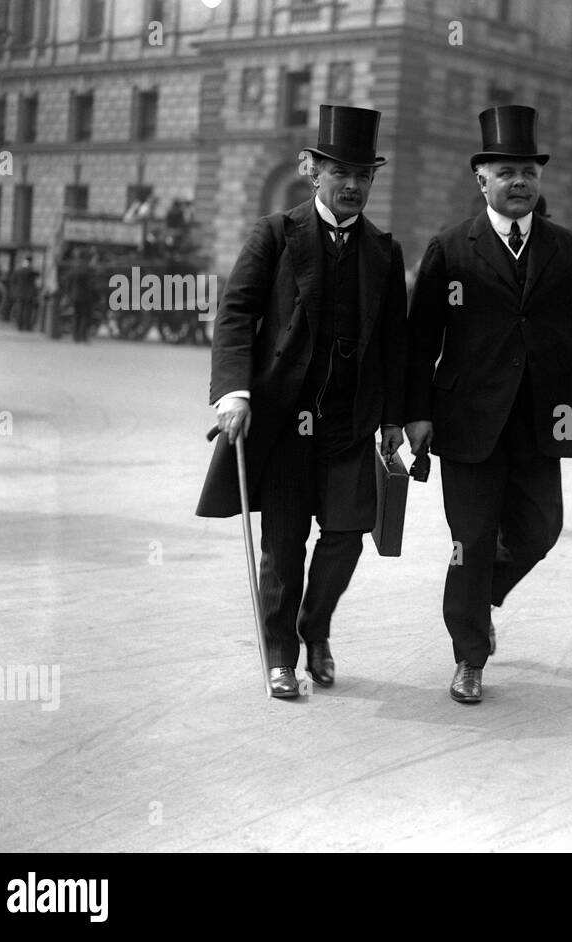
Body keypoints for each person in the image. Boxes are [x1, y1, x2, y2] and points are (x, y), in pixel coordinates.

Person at [405, 105, 572, 704]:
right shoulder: (450, 248)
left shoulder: (569, 249)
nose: (519, 181)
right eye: (506, 172)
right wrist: (416, 412)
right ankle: (469, 657)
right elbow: (420, 340)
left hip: (542, 418)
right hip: (468, 422)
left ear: (539, 177)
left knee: (541, 531)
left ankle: (480, 595)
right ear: (482, 180)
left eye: (528, 170)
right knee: (469, 541)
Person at [195, 104, 409, 699]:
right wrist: (233, 392)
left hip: (349, 424)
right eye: (340, 171)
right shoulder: (274, 234)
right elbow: (236, 314)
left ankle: (315, 629)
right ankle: (281, 658)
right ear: (310, 169)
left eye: (364, 174)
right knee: (283, 549)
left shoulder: (384, 252)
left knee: (347, 536)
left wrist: (393, 419)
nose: (352, 185)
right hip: (286, 423)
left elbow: (395, 344)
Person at [68, 251, 97, 343]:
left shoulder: (74, 269)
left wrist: (69, 294)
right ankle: (83, 336)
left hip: (75, 296)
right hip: (85, 297)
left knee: (76, 316)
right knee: (84, 316)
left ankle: (75, 336)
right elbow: (90, 284)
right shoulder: (87, 269)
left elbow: (68, 283)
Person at [10, 256, 39, 332]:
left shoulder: (18, 271)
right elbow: (37, 274)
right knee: (28, 310)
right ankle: (26, 326)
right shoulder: (31, 272)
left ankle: (19, 325)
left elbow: (13, 281)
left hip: (20, 293)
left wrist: (15, 291)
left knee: (20, 309)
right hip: (29, 294)